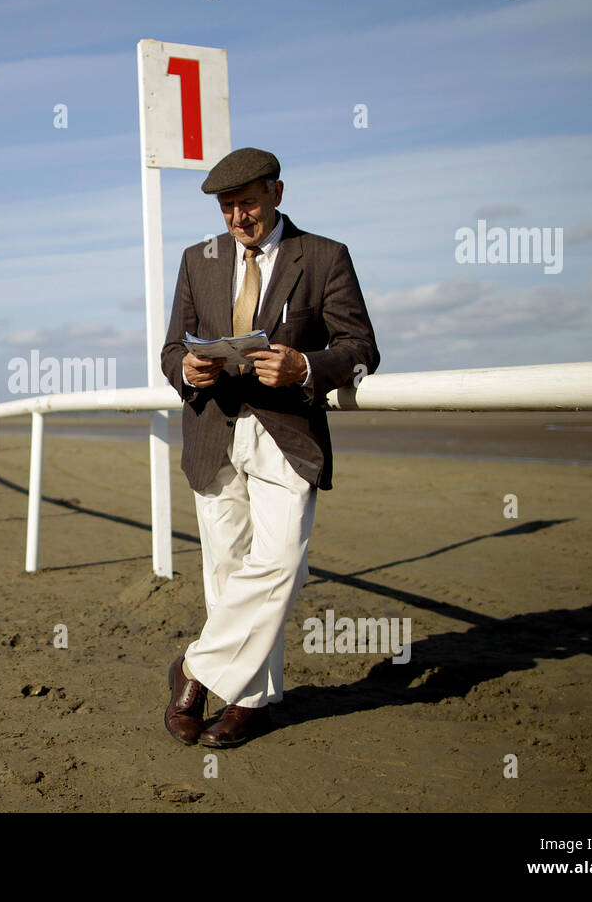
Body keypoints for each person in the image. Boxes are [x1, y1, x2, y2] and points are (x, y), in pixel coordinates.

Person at [161, 147, 380, 748]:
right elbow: (169, 351)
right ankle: (250, 701)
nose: (238, 217)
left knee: (281, 564)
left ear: (277, 194)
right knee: (227, 575)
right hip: (213, 431)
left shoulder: (326, 257)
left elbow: (361, 346)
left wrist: (305, 365)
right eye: (228, 207)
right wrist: (188, 370)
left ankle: (193, 670)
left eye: (248, 203)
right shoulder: (195, 260)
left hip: (287, 434)